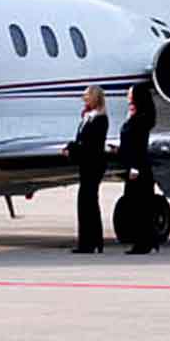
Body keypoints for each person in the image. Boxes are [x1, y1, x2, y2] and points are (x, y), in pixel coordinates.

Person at [62, 85, 108, 254]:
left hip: (94, 165)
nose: (84, 98)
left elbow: (92, 144)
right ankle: (92, 242)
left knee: (88, 203)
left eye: (87, 96)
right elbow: (80, 140)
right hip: (86, 165)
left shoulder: (100, 119)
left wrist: (74, 150)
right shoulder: (87, 117)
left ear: (95, 98)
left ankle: (89, 244)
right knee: (87, 203)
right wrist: (70, 147)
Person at [118, 81, 157, 254]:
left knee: (140, 208)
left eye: (130, 93)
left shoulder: (141, 118)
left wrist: (134, 168)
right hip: (134, 168)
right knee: (138, 207)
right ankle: (147, 242)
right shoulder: (136, 115)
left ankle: (143, 244)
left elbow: (138, 146)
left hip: (138, 170)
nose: (127, 96)